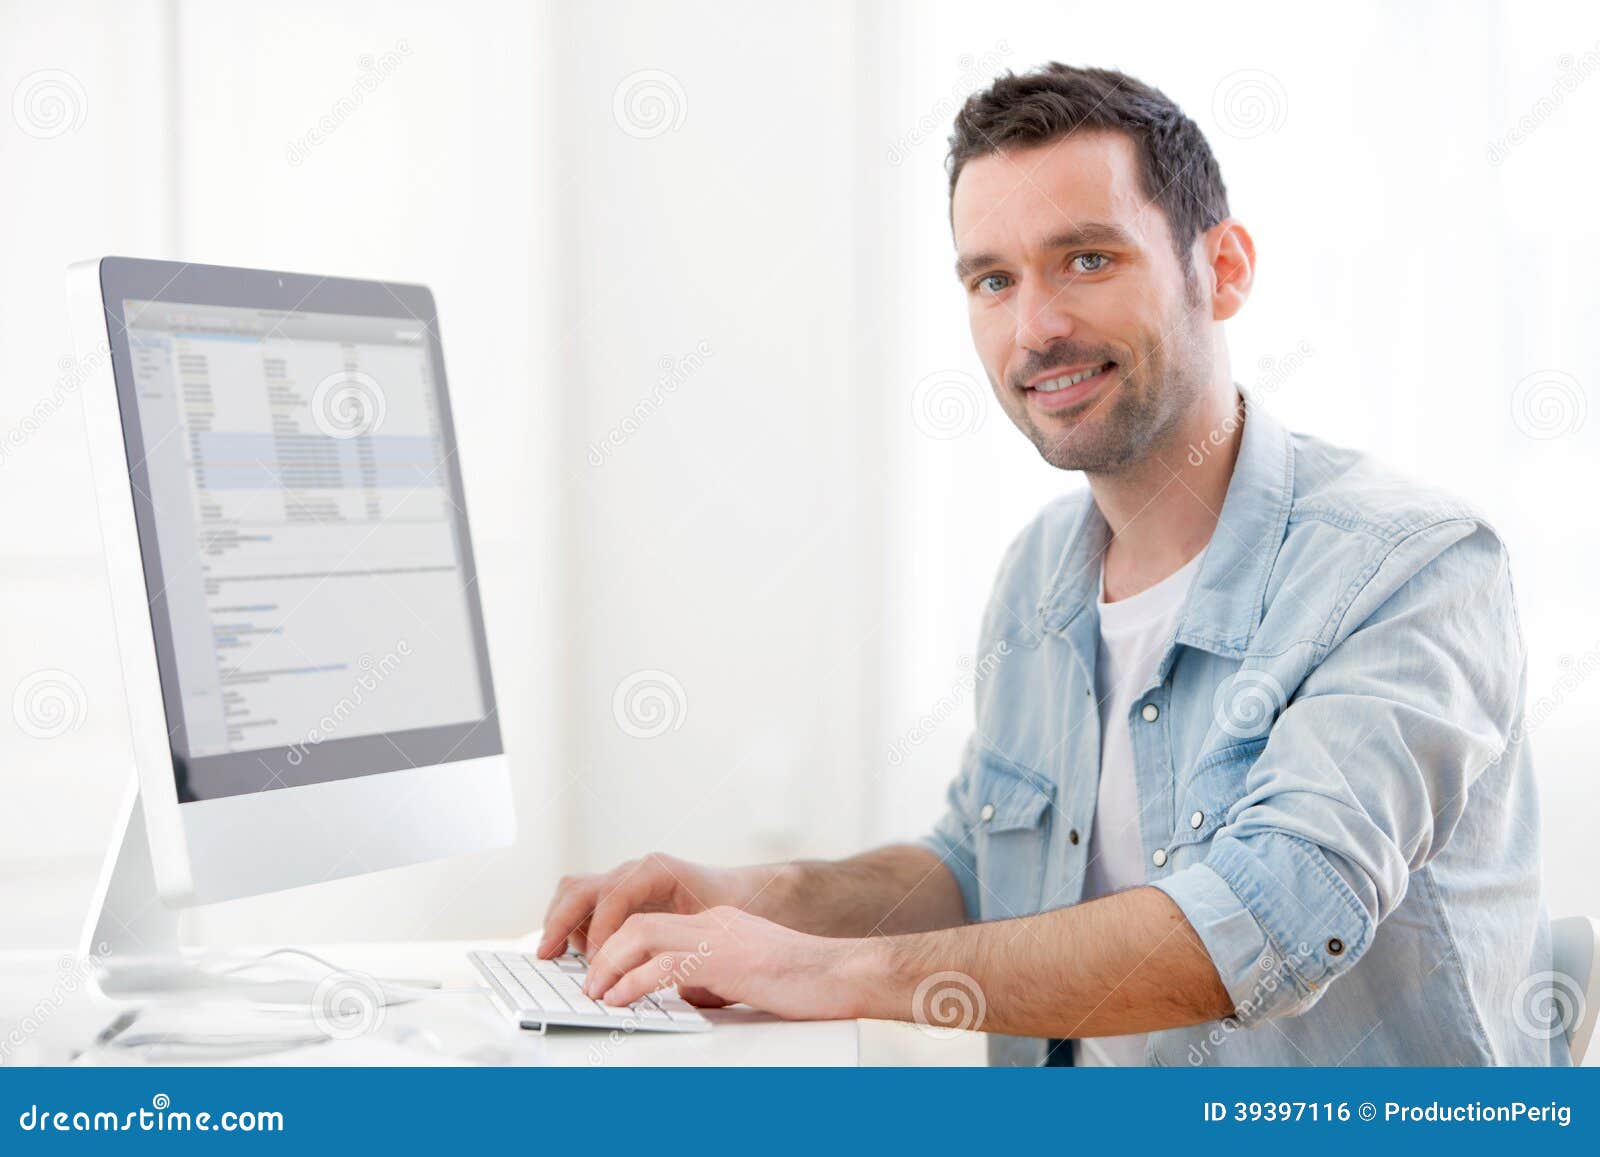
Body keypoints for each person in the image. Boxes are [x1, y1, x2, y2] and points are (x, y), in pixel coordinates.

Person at [538, 63, 1566, 1066]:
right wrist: (742, 895)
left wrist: (821, 967)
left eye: (1085, 259)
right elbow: (975, 867)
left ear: (1225, 267)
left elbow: (1266, 919)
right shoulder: (1043, 573)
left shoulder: (1411, 567)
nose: (1034, 328)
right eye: (993, 279)